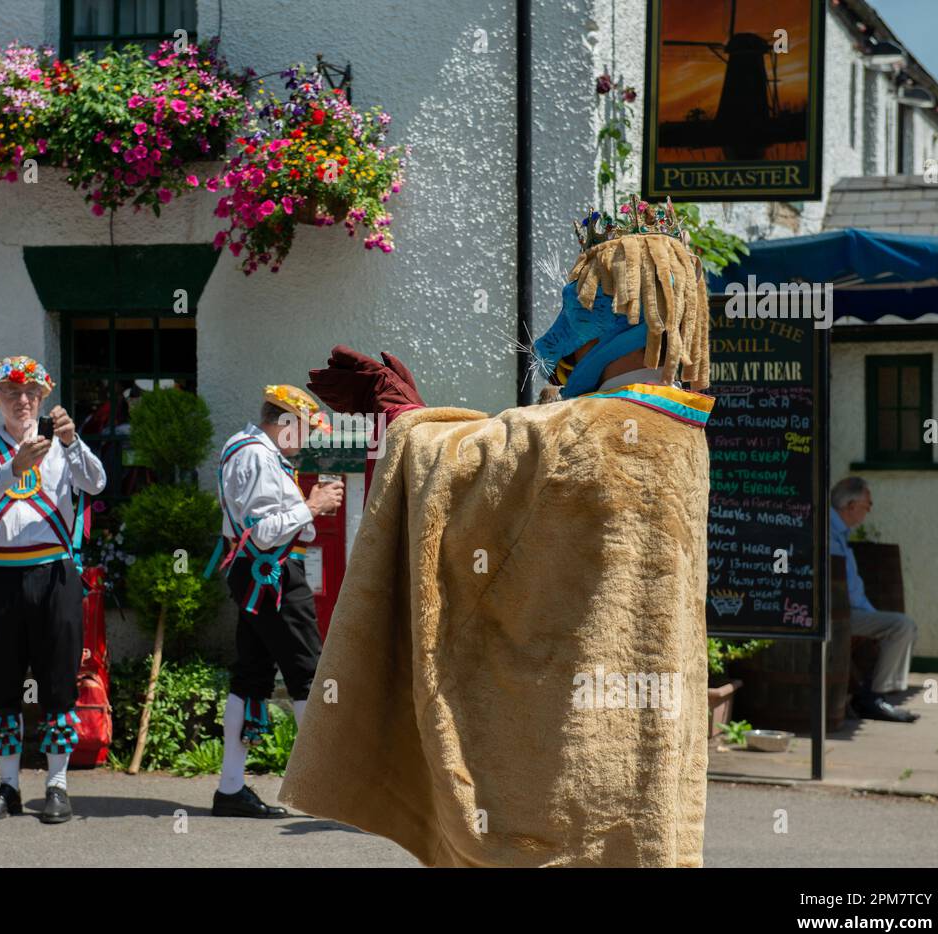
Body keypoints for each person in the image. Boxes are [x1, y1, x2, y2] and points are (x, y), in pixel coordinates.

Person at [279, 200, 716, 866]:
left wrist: (405, 418)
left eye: (580, 309)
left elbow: (472, 469)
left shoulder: (587, 431)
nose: (555, 339)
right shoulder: (682, 436)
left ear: (634, 314)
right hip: (646, 760)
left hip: (568, 763)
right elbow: (522, 484)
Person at [0, 356, 106, 824]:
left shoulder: (65, 445)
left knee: (58, 682)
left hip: (55, 574)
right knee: (1, 684)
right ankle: (8, 787)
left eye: (30, 394)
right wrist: (13, 467)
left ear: (42, 398)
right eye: (11, 393)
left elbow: (97, 483)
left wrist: (72, 440)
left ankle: (57, 785)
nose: (22, 401)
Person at [205, 385, 344, 819]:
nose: (305, 441)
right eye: (303, 430)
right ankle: (331, 792)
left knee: (251, 676)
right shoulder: (258, 455)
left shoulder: (244, 448)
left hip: (259, 574)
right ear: (284, 423)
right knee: (308, 673)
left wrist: (307, 506)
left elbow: (256, 525)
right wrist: (314, 506)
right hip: (275, 574)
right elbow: (264, 532)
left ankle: (230, 788)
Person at [829, 476, 919, 722]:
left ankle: (871, 693)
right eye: (867, 505)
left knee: (898, 625)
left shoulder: (838, 531)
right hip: (836, 615)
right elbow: (837, 586)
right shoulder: (828, 531)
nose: (868, 511)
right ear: (851, 506)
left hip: (849, 611)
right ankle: (873, 698)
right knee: (902, 626)